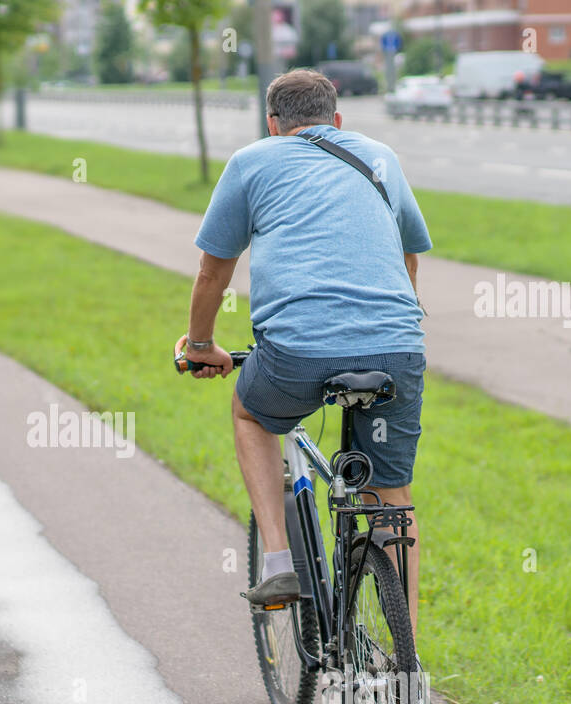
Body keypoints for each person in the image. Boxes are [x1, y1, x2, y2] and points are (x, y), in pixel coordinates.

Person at [180, 69, 431, 635]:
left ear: (273, 124)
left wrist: (200, 345)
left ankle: (277, 560)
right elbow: (409, 255)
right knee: (389, 496)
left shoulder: (252, 162)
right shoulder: (381, 156)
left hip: (297, 347)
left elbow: (212, 271)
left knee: (251, 413)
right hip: (397, 347)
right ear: (338, 119)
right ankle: (409, 663)